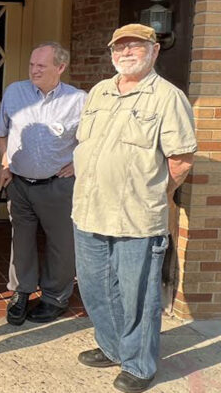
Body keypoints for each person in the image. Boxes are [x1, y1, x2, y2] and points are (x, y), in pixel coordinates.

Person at [72, 24, 196, 393]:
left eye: (135, 46)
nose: (126, 52)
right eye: (120, 46)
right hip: (89, 211)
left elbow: (182, 160)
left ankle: (139, 365)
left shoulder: (167, 98)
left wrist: (152, 192)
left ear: (154, 51)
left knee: (137, 296)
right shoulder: (99, 91)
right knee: (96, 289)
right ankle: (112, 347)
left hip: (136, 218)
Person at [0, 42, 86, 326]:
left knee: (61, 243)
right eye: (32, 64)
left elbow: (93, 140)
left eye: (41, 66)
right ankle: (21, 292)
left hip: (57, 184)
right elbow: (1, 132)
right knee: (21, 240)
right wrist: (5, 161)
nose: (34, 69)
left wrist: (77, 163)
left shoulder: (79, 100)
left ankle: (55, 297)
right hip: (20, 182)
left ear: (60, 67)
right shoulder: (15, 92)